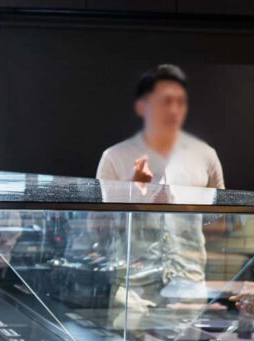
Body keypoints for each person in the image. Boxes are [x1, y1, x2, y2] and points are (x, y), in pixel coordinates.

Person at [96, 64, 225, 288]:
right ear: (142, 106)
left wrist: (189, 210)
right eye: (165, 101)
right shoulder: (115, 157)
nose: (174, 110)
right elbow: (98, 230)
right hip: (133, 288)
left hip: (189, 284)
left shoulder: (206, 155)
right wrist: (130, 193)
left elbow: (222, 222)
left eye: (180, 102)